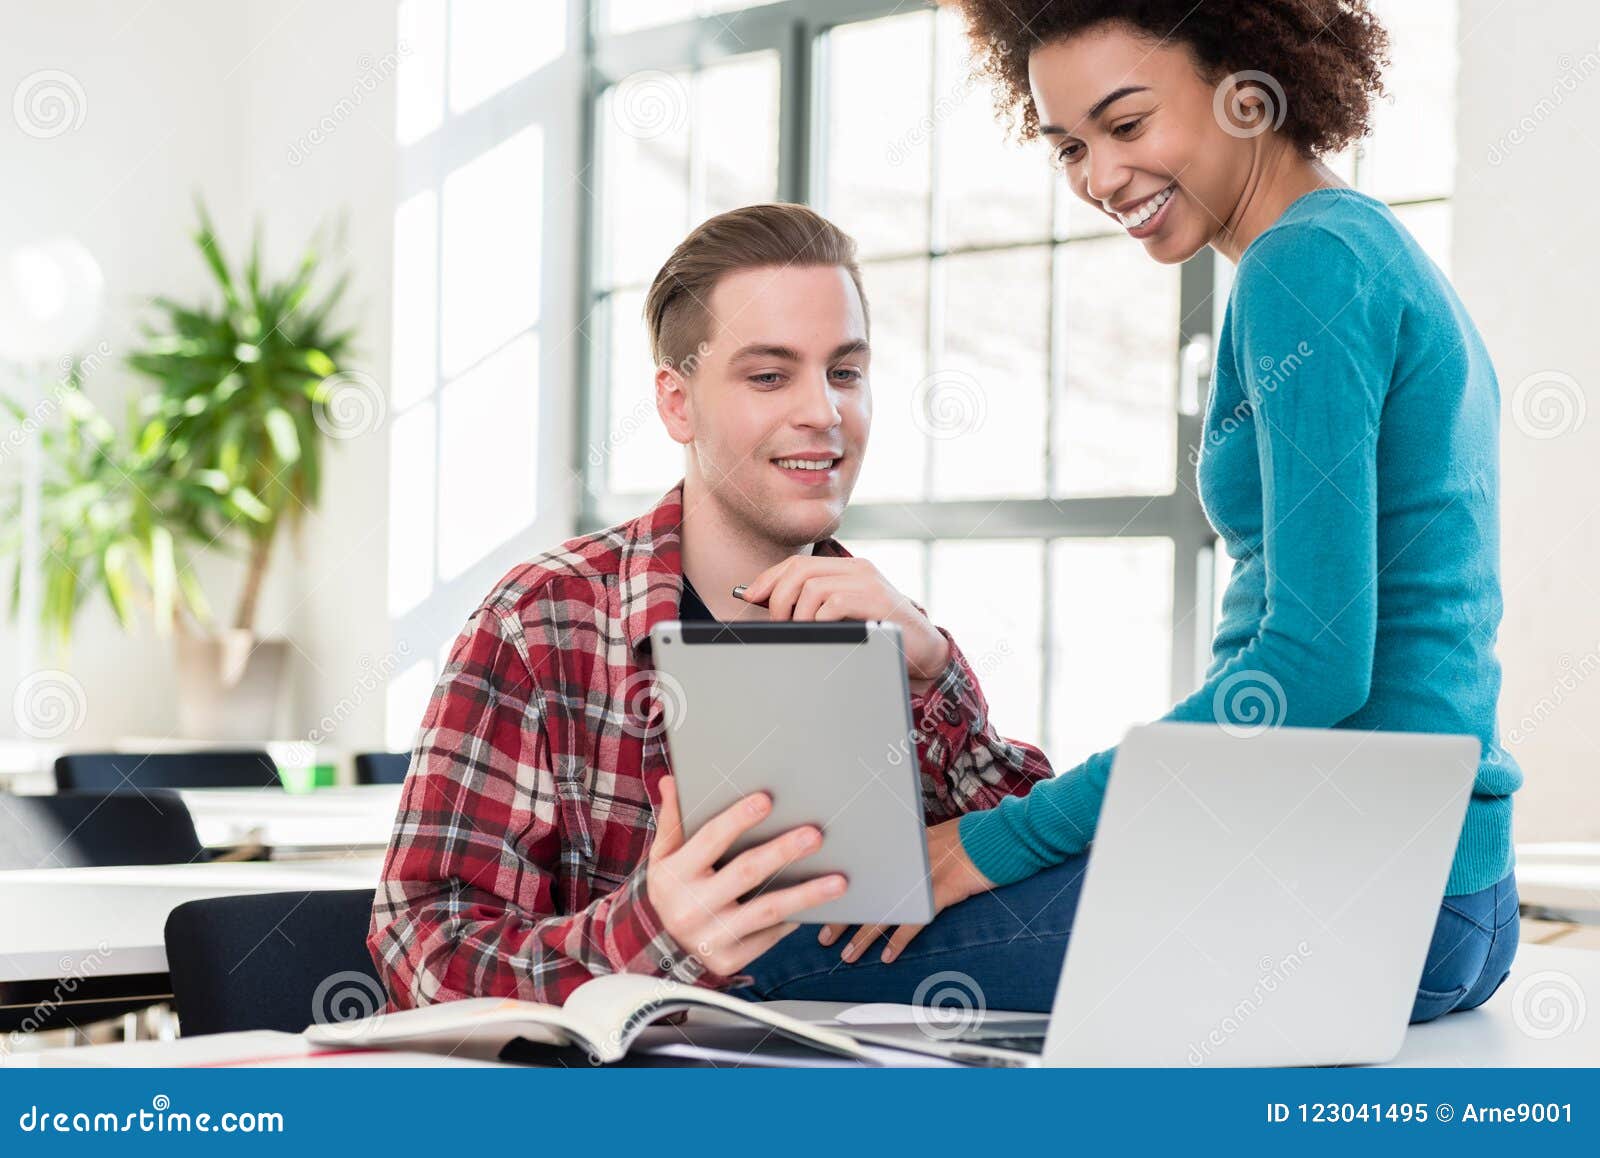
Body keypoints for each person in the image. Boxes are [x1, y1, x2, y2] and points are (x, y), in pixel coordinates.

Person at [735, 0, 1521, 1026]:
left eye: (1127, 124)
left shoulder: (1304, 266)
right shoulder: (1362, 244)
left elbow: (1314, 664)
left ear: (1247, 89)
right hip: (1451, 895)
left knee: (769, 950)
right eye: (1069, 146)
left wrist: (996, 841)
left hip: (1366, 890)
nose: (1100, 177)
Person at [368, 202, 1051, 1009]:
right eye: (769, 376)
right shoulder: (543, 620)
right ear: (676, 403)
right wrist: (656, 932)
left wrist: (936, 670)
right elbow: (421, 944)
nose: (823, 412)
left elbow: (1032, 891)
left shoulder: (889, 637)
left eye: (845, 373)